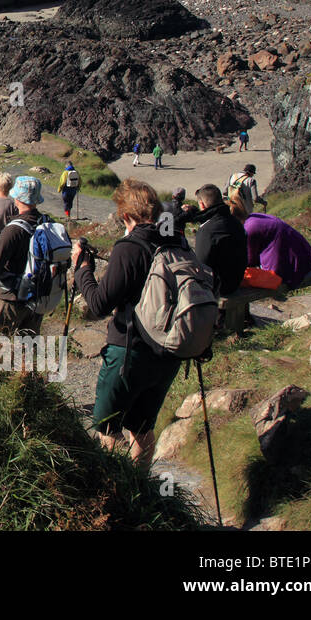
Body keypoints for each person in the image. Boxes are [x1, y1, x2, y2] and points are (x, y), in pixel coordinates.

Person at [71, 179, 185, 468]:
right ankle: (141, 487)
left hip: (130, 351)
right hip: (168, 353)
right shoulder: (176, 242)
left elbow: (98, 305)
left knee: (108, 427)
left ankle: (117, 493)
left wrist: (82, 269)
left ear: (126, 215)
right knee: (142, 427)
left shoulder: (129, 247)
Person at [0, 176, 49, 335]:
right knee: (26, 349)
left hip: (11, 298)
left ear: (17, 198)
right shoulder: (45, 223)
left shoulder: (13, 230)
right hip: (37, 297)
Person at [192, 184, 248, 332]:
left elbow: (201, 264)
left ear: (202, 205)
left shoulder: (208, 230)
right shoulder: (235, 223)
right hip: (236, 280)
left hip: (220, 287)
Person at [244, 212, 311, 289]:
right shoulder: (254, 217)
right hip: (304, 257)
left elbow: (249, 261)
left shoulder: (248, 228)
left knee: (245, 281)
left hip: (291, 268)